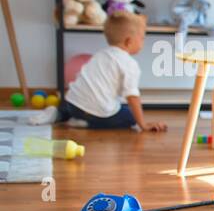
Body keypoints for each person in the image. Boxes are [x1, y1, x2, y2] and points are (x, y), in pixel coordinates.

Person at [37, 11, 166, 131]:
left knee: (82, 102)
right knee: (129, 115)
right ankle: (86, 123)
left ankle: (59, 113)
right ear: (129, 41)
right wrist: (142, 124)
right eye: (142, 38)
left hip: (72, 103)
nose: (143, 41)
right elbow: (132, 97)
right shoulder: (129, 64)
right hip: (95, 113)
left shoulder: (100, 54)